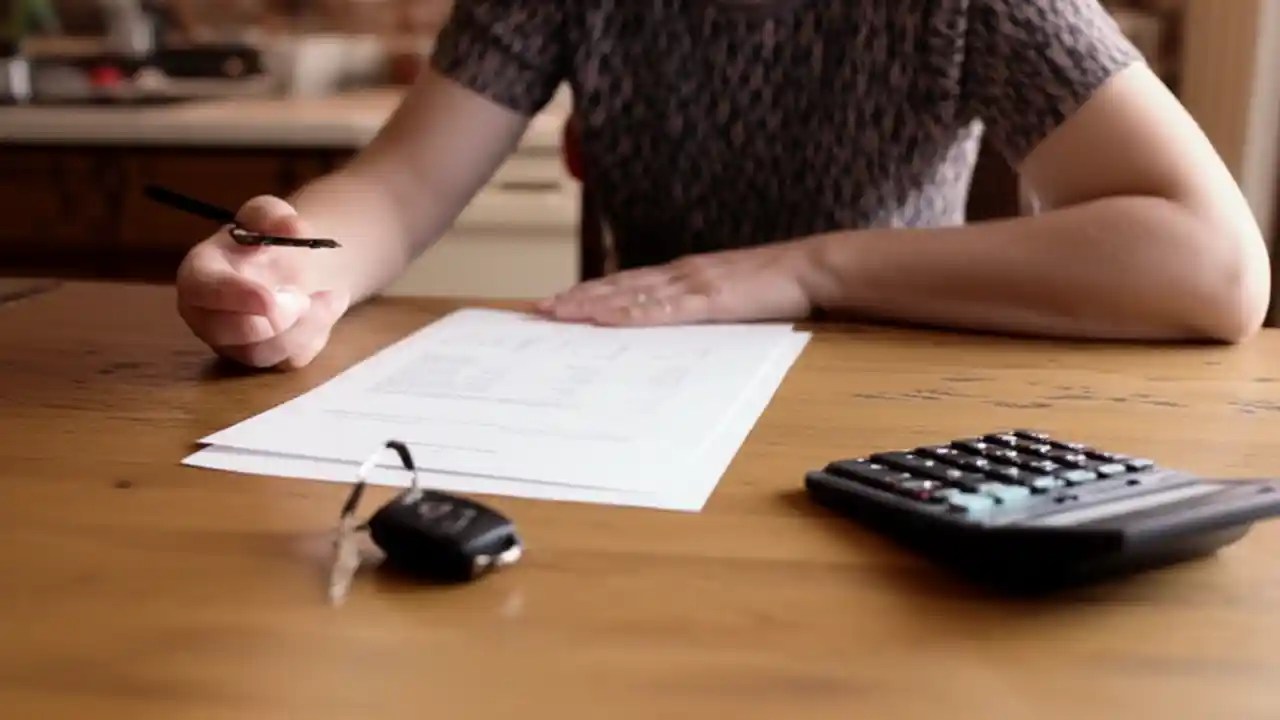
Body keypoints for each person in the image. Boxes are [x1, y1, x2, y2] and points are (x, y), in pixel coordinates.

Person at [175, 0, 1271, 370]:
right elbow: (401, 185)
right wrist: (287, 262)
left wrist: (806, 269)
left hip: (886, 418)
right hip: (611, 409)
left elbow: (1213, 265)